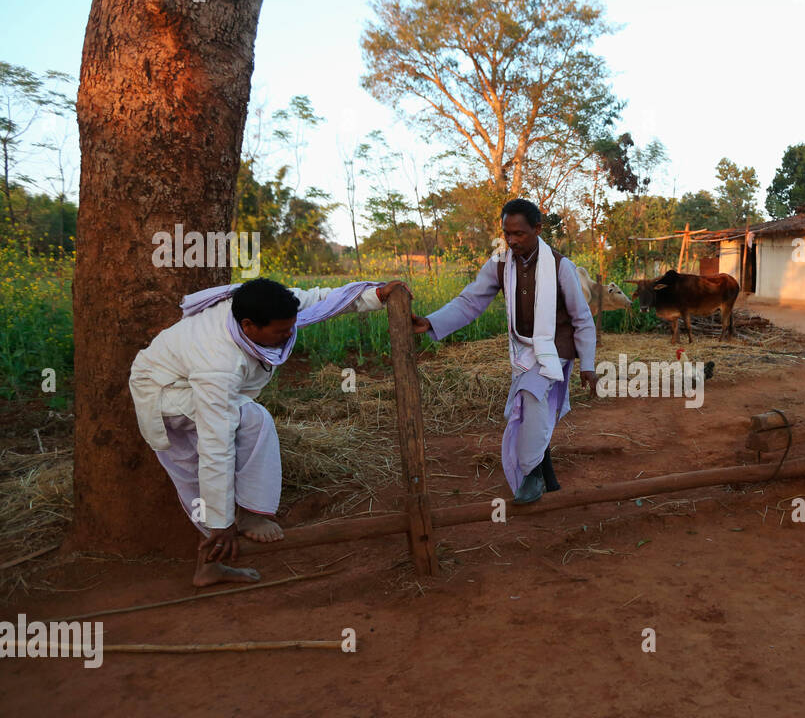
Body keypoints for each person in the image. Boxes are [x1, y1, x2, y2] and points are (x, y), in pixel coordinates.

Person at [130, 276, 409, 587]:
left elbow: (320, 300)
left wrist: (376, 295)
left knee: (236, 437)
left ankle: (210, 564)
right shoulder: (218, 365)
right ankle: (245, 517)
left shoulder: (269, 303)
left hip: (187, 381)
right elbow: (216, 444)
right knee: (248, 422)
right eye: (280, 331)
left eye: (290, 326)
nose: (289, 334)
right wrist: (221, 523)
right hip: (164, 393)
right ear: (248, 326)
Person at [411, 199, 596, 505]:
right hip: (522, 350)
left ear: (537, 229)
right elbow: (470, 301)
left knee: (531, 396)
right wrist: (431, 321)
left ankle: (531, 474)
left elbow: (582, 319)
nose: (511, 240)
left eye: (519, 234)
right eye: (507, 234)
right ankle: (546, 477)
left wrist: (587, 364)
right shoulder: (501, 263)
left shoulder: (562, 267)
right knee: (526, 414)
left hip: (554, 349)